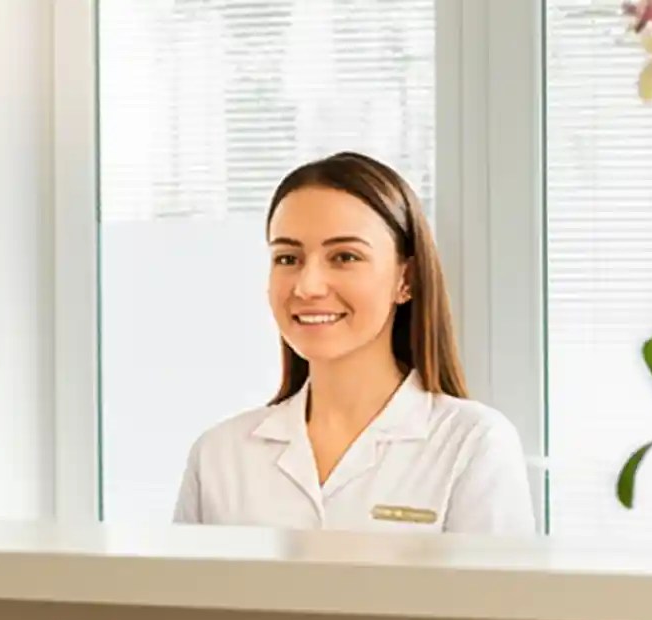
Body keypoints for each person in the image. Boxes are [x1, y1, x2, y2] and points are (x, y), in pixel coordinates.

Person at [173, 151, 535, 535]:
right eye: (287, 258)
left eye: (344, 257)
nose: (307, 286)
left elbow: (493, 596)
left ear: (406, 279)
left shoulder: (472, 443)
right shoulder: (219, 456)